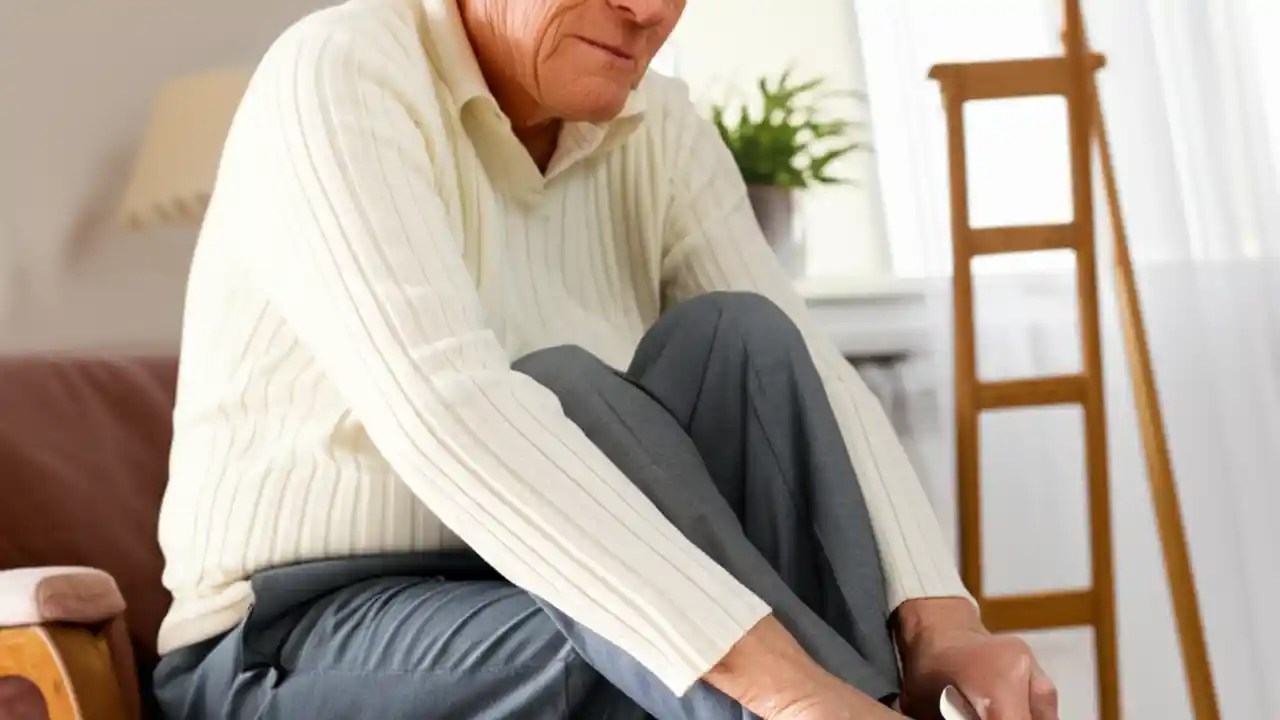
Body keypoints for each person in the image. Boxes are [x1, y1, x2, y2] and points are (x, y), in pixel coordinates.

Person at [152, 0, 1059, 717]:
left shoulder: (659, 124)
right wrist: (790, 689)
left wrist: (946, 625)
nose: (648, 10)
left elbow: (811, 374)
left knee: (735, 338)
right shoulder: (341, 70)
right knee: (641, 632)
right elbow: (447, 407)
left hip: (538, 582)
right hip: (296, 633)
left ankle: (854, 702)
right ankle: (852, 702)